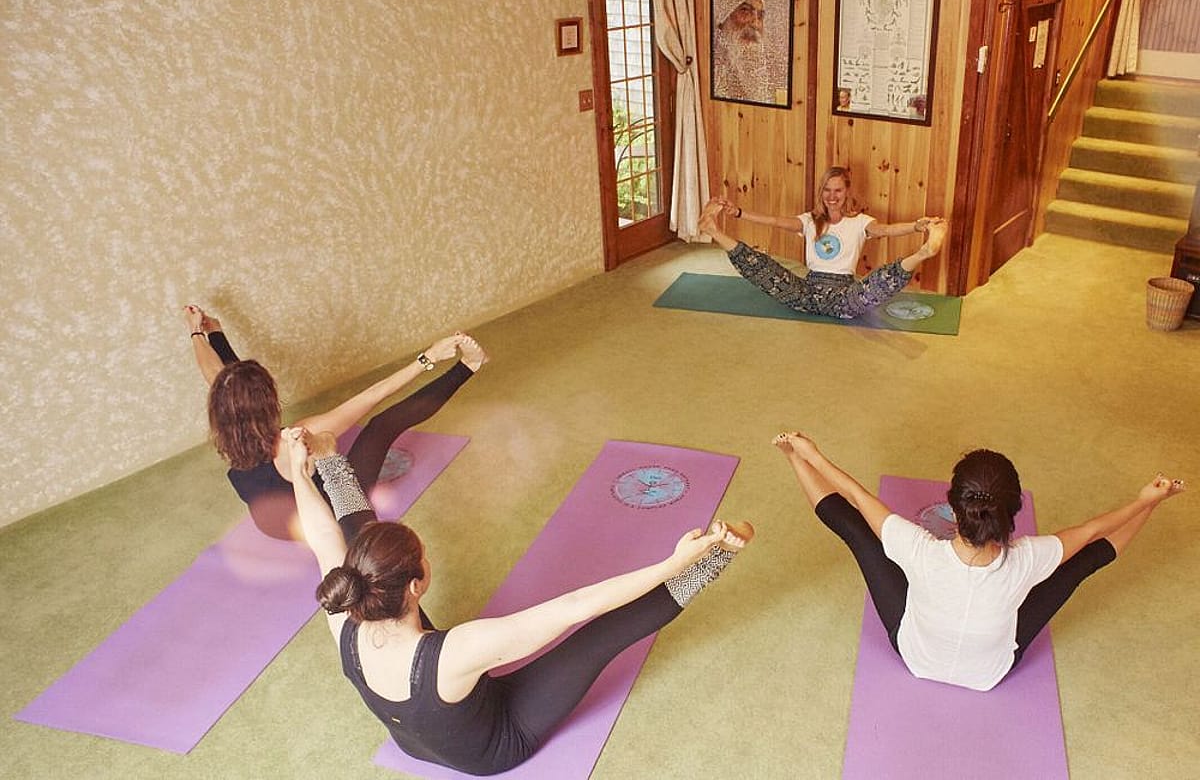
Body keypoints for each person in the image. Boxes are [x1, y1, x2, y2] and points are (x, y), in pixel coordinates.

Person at [282, 427, 755, 776]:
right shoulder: (461, 649)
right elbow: (577, 606)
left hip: (411, 741)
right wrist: (676, 562)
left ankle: (333, 464)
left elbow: (326, 539)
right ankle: (717, 558)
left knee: (362, 541)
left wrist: (304, 474)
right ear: (416, 584)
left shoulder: (344, 611)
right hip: (492, 748)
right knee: (598, 639)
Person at [772, 430, 1185, 691]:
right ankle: (1156, 507)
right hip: (990, 674)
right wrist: (1146, 501)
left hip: (917, 656)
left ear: (954, 505)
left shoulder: (917, 549)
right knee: (1079, 565)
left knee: (859, 535)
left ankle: (788, 457)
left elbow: (857, 498)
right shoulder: (1030, 558)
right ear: (1013, 511)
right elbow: (1096, 529)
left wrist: (807, 454)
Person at [183, 304, 487, 541]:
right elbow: (373, 395)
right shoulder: (297, 435)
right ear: (270, 400)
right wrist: (429, 357)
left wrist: (205, 332)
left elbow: (220, 376)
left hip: (274, 524)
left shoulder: (228, 420)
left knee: (240, 394)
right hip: (328, 521)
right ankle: (470, 366)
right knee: (382, 426)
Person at [700, 166, 946, 319]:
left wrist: (917, 226)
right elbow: (775, 221)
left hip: (846, 298)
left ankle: (924, 252)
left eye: (837, 191)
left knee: (878, 284)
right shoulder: (809, 221)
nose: (832, 197)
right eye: (827, 190)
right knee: (763, 267)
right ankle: (714, 231)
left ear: (847, 192)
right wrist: (738, 212)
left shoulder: (860, 222)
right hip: (806, 294)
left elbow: (886, 230)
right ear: (821, 192)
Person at [712, 0, 769, 103]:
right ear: (723, 17)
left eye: (760, 15)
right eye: (745, 11)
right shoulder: (712, 72)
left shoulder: (758, 72)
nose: (755, 23)